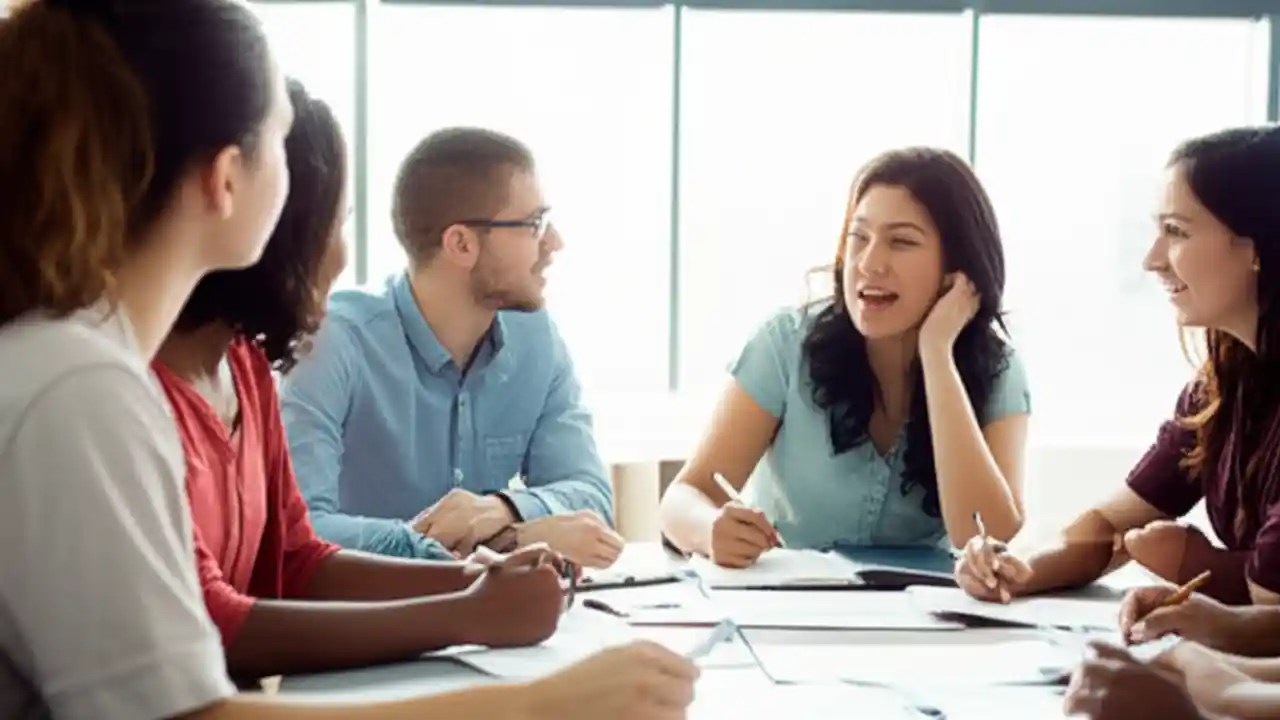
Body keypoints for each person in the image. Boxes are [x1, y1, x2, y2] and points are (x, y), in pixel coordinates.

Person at [0, 2, 696, 718]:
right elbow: (185, 710)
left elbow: (293, 560)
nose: (334, 244)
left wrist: (470, 587)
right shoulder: (81, 389)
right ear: (226, 177)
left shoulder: (146, 368)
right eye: (279, 141)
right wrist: (533, 705)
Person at [154, 78, 573, 679]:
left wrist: (472, 579)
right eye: (337, 221)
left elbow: (299, 560)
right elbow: (209, 625)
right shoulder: (134, 393)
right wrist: (467, 614)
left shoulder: (243, 364)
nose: (342, 255)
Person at [659, 147, 1031, 568]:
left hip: (923, 620)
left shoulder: (997, 369)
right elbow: (682, 499)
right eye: (859, 238)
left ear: (956, 271)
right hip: (786, 608)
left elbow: (985, 533)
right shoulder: (786, 343)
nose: (870, 263)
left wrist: (937, 355)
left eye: (901, 242)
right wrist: (710, 529)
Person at [956, 126, 1280, 608]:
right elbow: (1107, 529)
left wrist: (1191, 562)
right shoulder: (1216, 391)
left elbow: (1271, 605)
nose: (1152, 260)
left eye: (1176, 231)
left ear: (1255, 246)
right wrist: (1013, 569)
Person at [281, 127, 623, 568]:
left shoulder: (537, 338)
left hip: (491, 624)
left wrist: (502, 512)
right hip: (363, 624)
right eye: (534, 224)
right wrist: (502, 545)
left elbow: (592, 500)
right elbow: (298, 530)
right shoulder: (332, 343)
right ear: (460, 243)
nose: (554, 242)